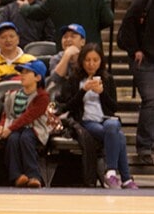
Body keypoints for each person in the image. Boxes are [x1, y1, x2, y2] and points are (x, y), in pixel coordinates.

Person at [56, 44, 138, 189]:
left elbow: (114, 107)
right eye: (87, 60)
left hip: (105, 120)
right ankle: (123, 178)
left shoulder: (108, 79)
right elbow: (67, 106)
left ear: (101, 61)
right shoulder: (74, 80)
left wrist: (102, 93)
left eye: (95, 60)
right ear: (82, 61)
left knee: (112, 126)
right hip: (86, 121)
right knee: (118, 136)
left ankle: (111, 172)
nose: (91, 64)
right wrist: (83, 91)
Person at [116, 0, 154, 165]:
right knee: (151, 99)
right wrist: (135, 50)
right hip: (144, 59)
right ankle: (144, 146)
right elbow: (128, 24)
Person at [0, 59, 50, 188]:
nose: (22, 75)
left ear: (38, 77)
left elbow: (28, 116)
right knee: (13, 139)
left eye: (27, 72)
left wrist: (10, 128)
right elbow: (6, 114)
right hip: (15, 128)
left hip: (34, 128)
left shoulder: (42, 97)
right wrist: (1, 125)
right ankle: (16, 176)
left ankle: (34, 176)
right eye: (22, 72)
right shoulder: (12, 94)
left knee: (26, 138)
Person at [0, 22, 37, 87]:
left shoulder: (31, 60)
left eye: (11, 36)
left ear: (18, 39)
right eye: (3, 37)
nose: (8, 40)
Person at [46, 23, 87, 101]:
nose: (68, 40)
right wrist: (66, 56)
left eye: (73, 36)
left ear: (82, 42)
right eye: (65, 37)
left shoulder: (88, 58)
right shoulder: (56, 58)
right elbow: (55, 79)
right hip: (60, 97)